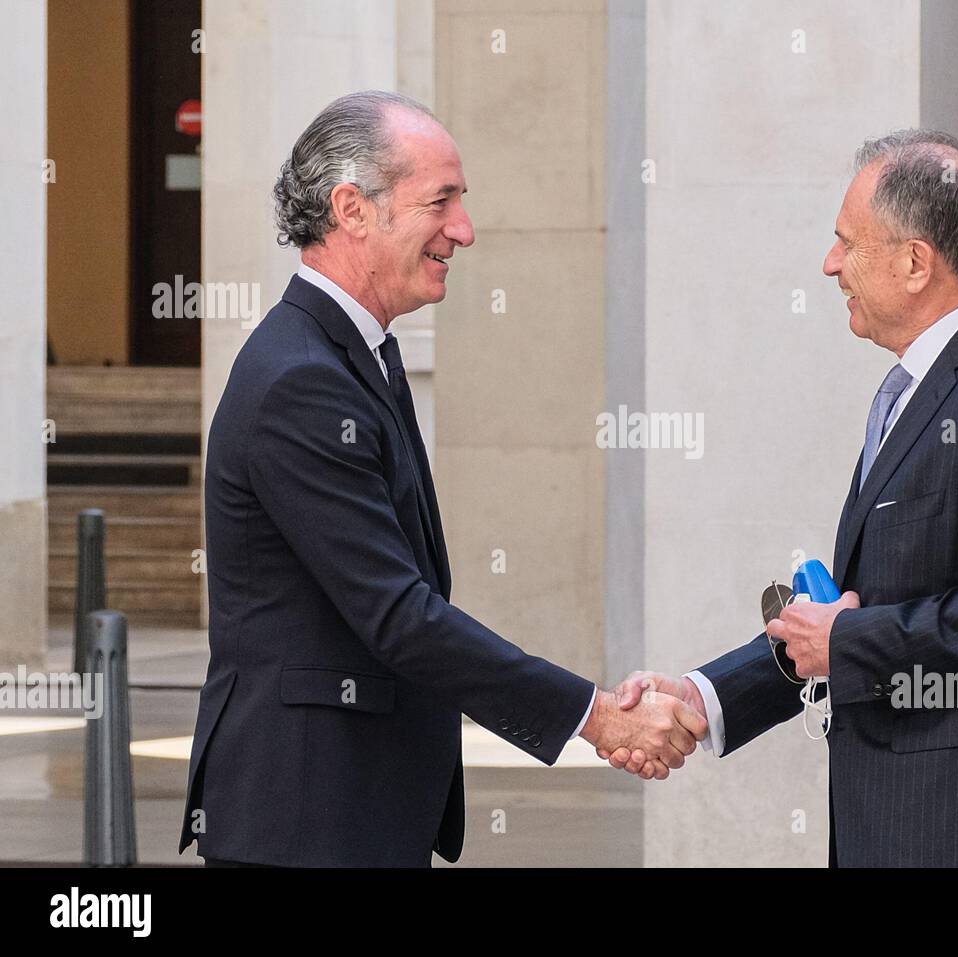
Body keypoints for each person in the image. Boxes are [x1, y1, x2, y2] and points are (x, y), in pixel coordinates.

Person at [180, 91, 705, 868]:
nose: (463, 229)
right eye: (441, 201)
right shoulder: (302, 380)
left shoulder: (355, 355)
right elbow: (399, 616)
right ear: (352, 209)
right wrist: (595, 715)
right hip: (307, 823)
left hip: (350, 814)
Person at [607, 130, 958, 868]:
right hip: (904, 822)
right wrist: (704, 694)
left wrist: (845, 640)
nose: (829, 263)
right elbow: (864, 604)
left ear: (915, 263)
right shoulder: (917, 388)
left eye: (847, 242)